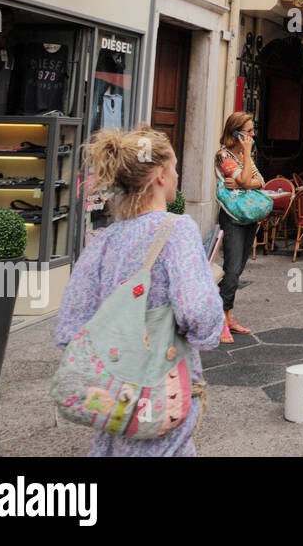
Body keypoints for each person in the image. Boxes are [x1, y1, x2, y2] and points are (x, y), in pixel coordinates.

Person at [55, 126, 224, 456]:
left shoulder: (104, 240)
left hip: (113, 399)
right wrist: (208, 326)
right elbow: (198, 312)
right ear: (161, 174)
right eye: (174, 167)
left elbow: (69, 329)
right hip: (160, 389)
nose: (176, 175)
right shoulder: (177, 230)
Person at [214, 112, 264, 342]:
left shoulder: (245, 155)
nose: (253, 134)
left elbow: (258, 181)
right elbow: (244, 179)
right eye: (249, 130)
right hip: (233, 217)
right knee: (232, 269)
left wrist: (246, 181)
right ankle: (221, 320)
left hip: (249, 216)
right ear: (236, 132)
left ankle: (229, 315)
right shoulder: (223, 155)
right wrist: (246, 178)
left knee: (240, 266)